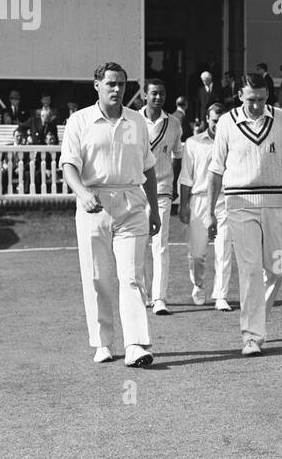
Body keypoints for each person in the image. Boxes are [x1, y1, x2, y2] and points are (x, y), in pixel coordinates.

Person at [60, 62, 162, 368]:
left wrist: (154, 209)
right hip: (94, 204)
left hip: (132, 204)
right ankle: (103, 342)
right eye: (110, 84)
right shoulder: (80, 121)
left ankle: (135, 345)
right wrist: (83, 194)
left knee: (132, 277)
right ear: (97, 86)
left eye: (121, 84)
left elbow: (148, 168)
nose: (117, 89)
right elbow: (69, 166)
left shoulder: (136, 122)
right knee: (98, 278)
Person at [203, 72, 282, 356]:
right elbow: (216, 170)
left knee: (277, 269)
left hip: (275, 204)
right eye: (251, 99)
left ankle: (257, 321)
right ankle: (251, 336)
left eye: (262, 100)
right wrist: (209, 213)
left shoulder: (279, 118)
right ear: (240, 95)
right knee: (250, 270)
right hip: (239, 205)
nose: (256, 105)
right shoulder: (226, 123)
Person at [178, 101, 235, 311]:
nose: (218, 125)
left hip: (224, 200)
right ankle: (198, 284)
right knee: (197, 254)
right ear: (207, 120)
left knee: (223, 249)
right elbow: (185, 177)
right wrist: (183, 204)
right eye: (214, 121)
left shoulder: (233, 143)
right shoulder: (193, 143)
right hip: (199, 200)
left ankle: (221, 295)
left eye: (222, 122)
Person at [140, 79, 184, 317]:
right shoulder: (133, 120)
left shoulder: (174, 123)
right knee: (139, 244)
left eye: (162, 94)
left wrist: (174, 181)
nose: (158, 98)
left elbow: (178, 154)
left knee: (160, 244)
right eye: (154, 94)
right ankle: (143, 294)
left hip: (163, 188)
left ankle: (159, 298)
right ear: (145, 96)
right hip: (137, 190)